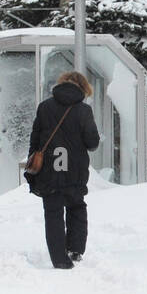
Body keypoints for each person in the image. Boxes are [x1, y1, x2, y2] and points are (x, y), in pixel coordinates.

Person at [26, 70, 100, 270]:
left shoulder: (44, 107)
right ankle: (75, 250)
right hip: (75, 170)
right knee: (76, 206)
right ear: (83, 88)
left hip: (49, 170)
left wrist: (33, 163)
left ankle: (59, 258)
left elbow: (35, 139)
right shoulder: (83, 110)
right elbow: (92, 143)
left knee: (53, 212)